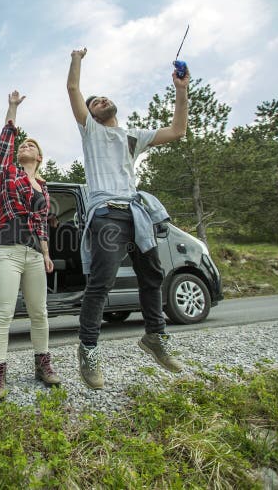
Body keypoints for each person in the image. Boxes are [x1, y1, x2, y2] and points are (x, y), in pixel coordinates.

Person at [66, 47, 190, 389]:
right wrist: (77, 59)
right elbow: (73, 91)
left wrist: (181, 90)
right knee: (101, 282)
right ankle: (88, 350)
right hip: (106, 214)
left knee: (153, 276)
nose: (100, 100)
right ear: (90, 115)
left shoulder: (132, 136)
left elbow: (177, 131)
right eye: (95, 102)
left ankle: (155, 337)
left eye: (103, 98)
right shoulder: (91, 132)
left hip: (136, 213)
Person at [0, 90, 61, 401]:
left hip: (33, 254)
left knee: (39, 313)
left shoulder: (43, 185)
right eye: (23, 145)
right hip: (7, 250)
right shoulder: (8, 172)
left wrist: (46, 254)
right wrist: (12, 107)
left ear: (40, 157)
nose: (25, 146)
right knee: (3, 313)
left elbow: (42, 223)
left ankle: (43, 366)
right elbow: (5, 141)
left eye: (32, 145)